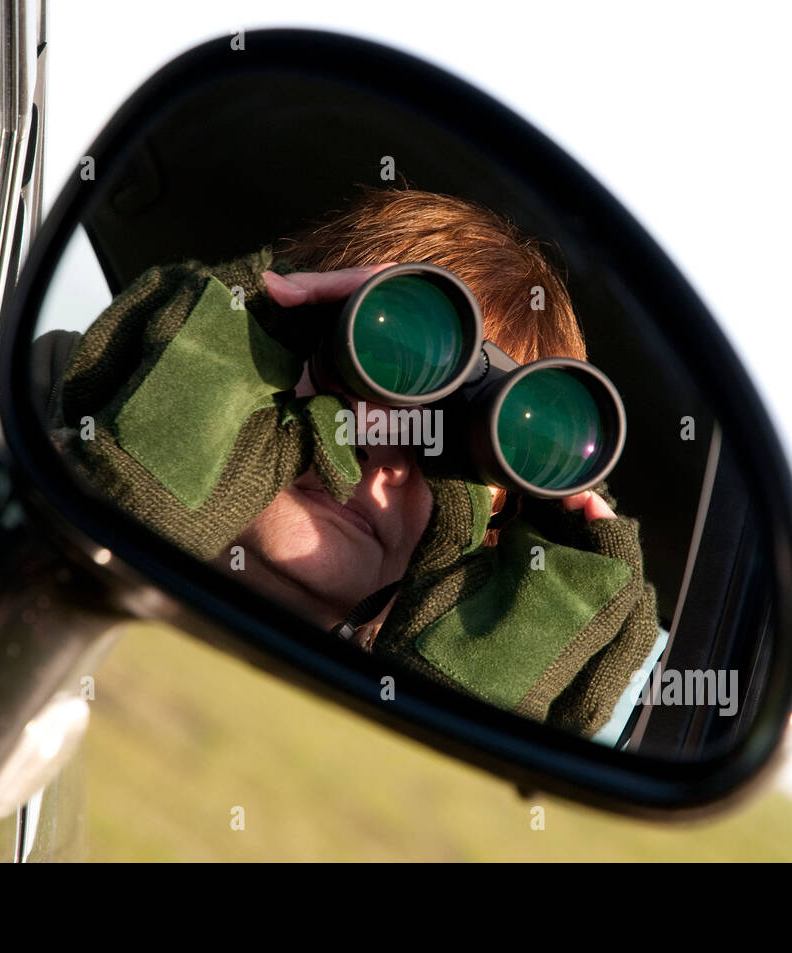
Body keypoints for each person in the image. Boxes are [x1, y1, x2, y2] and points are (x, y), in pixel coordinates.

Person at [35, 186, 661, 739]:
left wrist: (456, 714)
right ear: (273, 336)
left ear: (488, 542)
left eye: (448, 450)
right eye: (382, 369)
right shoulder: (35, 411)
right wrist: (112, 480)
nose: (384, 454)